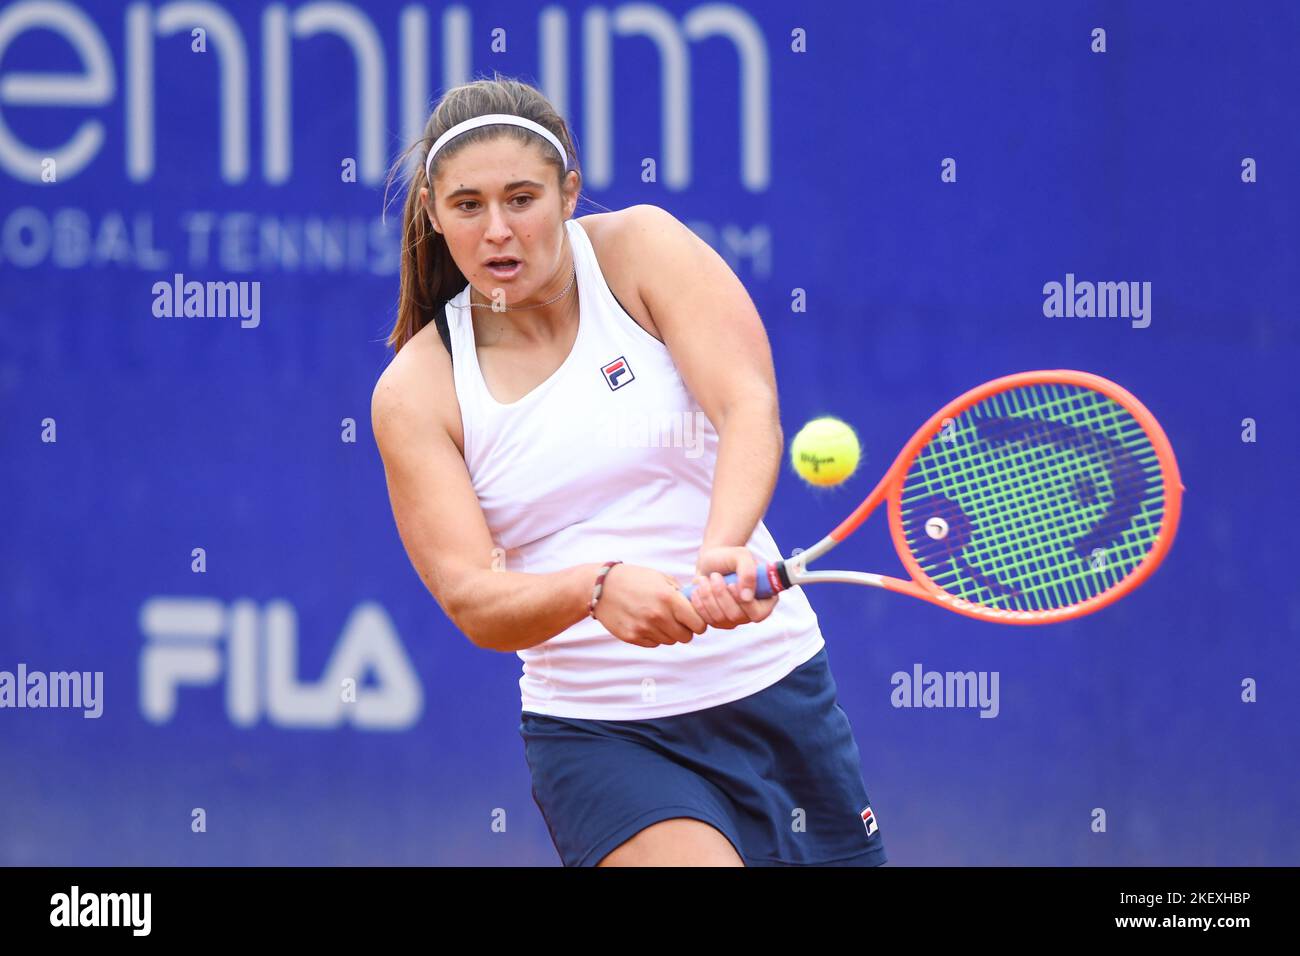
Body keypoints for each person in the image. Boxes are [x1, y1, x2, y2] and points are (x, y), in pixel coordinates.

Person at [372, 76, 886, 867]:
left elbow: (746, 404)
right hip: (600, 734)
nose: (499, 231)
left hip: (773, 692)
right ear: (436, 216)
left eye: (522, 198)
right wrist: (597, 587)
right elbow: (473, 600)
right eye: (469, 206)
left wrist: (723, 546)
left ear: (569, 192)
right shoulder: (417, 390)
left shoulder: (642, 249)